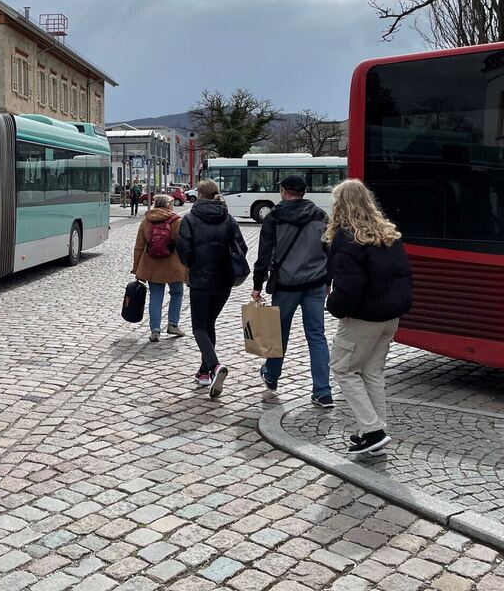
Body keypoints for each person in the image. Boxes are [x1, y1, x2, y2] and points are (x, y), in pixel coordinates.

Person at [325, 179, 413, 455]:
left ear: (340, 204)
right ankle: (375, 431)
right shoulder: (386, 232)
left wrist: (333, 305)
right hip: (390, 315)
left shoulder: (347, 236)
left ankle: (372, 429)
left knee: (343, 368)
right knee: (372, 372)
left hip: (363, 317)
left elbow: (349, 286)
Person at [251, 174, 333, 408]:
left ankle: (272, 376)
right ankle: (323, 391)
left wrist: (257, 286)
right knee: (317, 336)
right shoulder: (320, 215)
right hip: (315, 283)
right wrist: (329, 280)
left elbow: (264, 255)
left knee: (279, 334)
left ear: (284, 191)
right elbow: (329, 250)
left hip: (286, 285)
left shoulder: (275, 217)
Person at [177, 179, 247, 399]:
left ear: (199, 194)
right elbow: (242, 247)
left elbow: (183, 250)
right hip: (224, 281)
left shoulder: (190, 219)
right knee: (209, 324)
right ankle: (204, 372)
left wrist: (193, 264)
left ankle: (215, 366)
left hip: (200, 281)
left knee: (199, 327)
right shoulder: (228, 219)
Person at [132, 194, 187, 342]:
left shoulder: (146, 221)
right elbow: (184, 246)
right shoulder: (177, 221)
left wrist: (136, 268)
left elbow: (139, 247)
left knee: (155, 297)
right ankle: (173, 325)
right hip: (174, 266)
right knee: (177, 293)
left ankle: (155, 330)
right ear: (169, 205)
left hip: (152, 266)